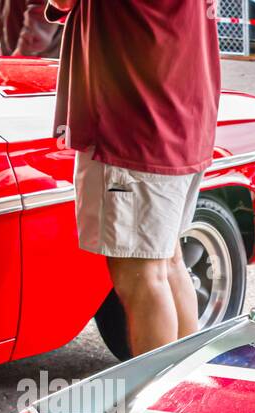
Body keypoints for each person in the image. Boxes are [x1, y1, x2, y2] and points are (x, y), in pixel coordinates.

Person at [47, 0, 221, 357]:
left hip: (134, 126)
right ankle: (181, 394)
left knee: (141, 278)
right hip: (181, 117)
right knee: (167, 263)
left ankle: (153, 403)